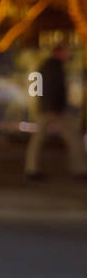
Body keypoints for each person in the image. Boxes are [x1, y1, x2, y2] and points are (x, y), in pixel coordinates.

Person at [25, 44, 87, 180]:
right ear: (59, 52)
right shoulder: (53, 67)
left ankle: (32, 168)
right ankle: (79, 169)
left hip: (51, 109)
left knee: (41, 138)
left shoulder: (50, 66)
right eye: (67, 51)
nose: (69, 54)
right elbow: (50, 88)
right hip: (53, 109)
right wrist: (52, 108)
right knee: (72, 136)